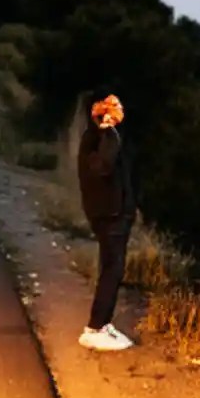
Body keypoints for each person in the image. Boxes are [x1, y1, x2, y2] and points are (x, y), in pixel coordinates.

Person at [76, 92, 136, 352]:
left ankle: (103, 322)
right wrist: (109, 132)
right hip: (108, 216)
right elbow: (103, 168)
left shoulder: (101, 137)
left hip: (115, 214)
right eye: (112, 106)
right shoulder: (96, 139)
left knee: (111, 268)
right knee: (112, 269)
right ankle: (94, 328)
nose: (117, 111)